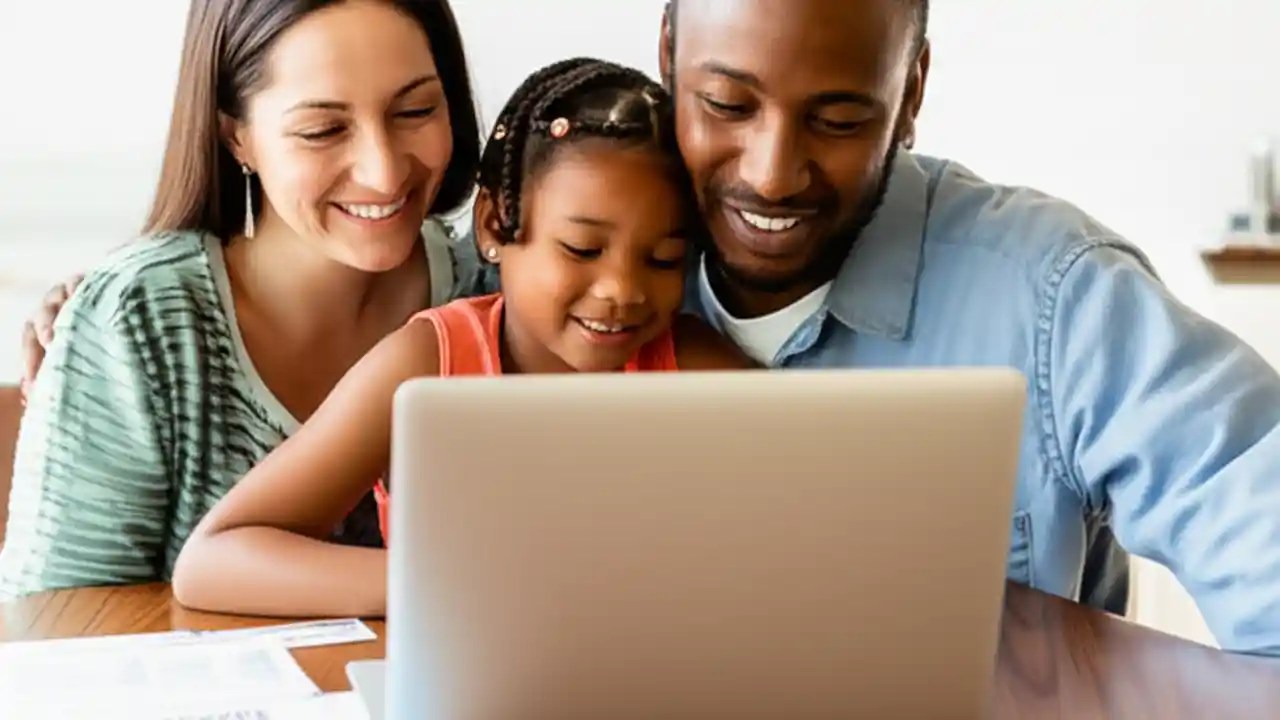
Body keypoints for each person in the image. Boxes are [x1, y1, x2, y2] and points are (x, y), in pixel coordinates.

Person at [20, 0, 1280, 656]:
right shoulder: (478, 321)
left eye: (838, 115)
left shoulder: (1027, 298)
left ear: (911, 94)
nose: (773, 171)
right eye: (725, 100)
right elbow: (207, 560)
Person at [169, 58, 754, 618]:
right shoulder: (425, 366)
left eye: (663, 259)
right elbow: (212, 560)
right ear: (495, 224)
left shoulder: (691, 370)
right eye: (582, 250)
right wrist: (454, 587)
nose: (622, 290)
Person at [0, 0, 482, 600]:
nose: (384, 173)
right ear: (237, 137)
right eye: (322, 130)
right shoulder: (140, 321)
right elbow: (53, 628)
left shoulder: (493, 294)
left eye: (415, 110)